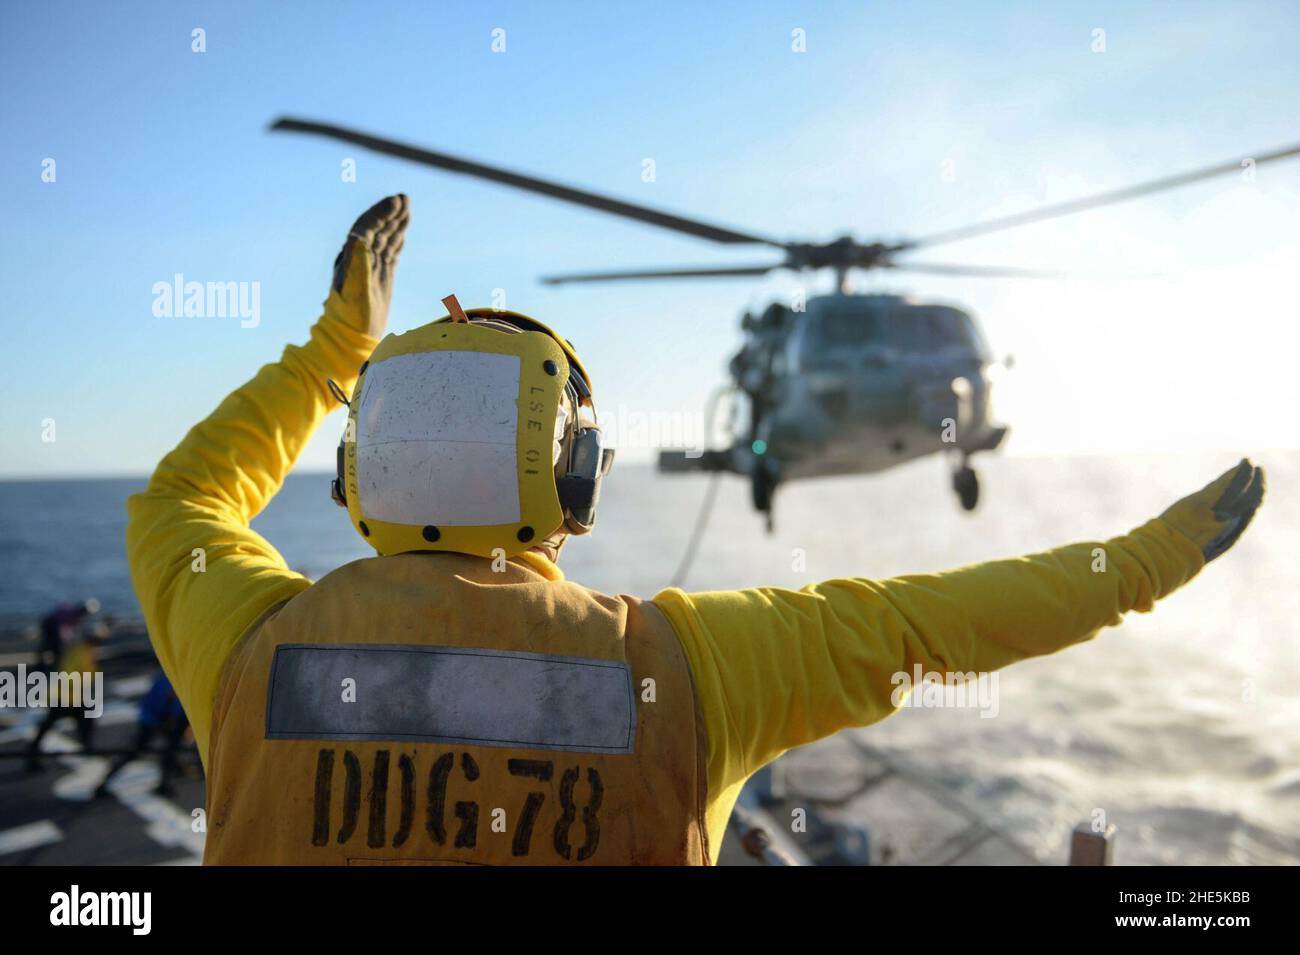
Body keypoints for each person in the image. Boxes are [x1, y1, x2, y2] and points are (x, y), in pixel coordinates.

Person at [126, 196, 1265, 865]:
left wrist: (337, 350)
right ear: (569, 474)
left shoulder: (244, 647)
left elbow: (183, 500)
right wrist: (1149, 559)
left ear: (361, 472)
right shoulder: (691, 668)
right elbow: (942, 619)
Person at [25, 623, 108, 772]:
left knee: (83, 722)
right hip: (66, 697)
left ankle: (33, 753)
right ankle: (32, 754)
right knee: (55, 724)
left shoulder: (83, 650)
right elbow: (71, 674)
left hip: (71, 696)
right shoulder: (81, 652)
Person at [94, 672, 190, 799]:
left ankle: (169, 776)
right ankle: (104, 783)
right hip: (156, 718)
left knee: (169, 750)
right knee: (140, 750)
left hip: (166, 717)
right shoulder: (170, 680)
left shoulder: (170, 675)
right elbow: (163, 701)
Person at [36, 598, 99, 675]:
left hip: (50, 626)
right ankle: (49, 668)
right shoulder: (73, 614)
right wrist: (65, 640)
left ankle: (46, 666)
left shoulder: (74, 613)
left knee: (50, 648)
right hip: (50, 626)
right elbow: (62, 628)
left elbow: (68, 629)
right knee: (56, 648)